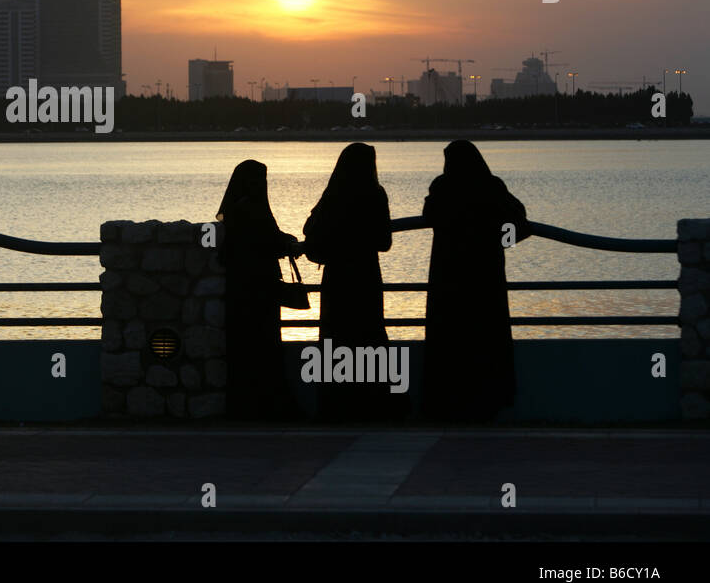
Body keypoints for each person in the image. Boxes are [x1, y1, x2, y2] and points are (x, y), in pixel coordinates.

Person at [421, 141, 530, 422]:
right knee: (486, 339)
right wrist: (496, 242)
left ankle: (448, 401)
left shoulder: (443, 187)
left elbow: (428, 215)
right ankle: (486, 401)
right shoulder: (491, 186)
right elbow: (520, 220)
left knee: (449, 340)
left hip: (448, 279)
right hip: (485, 278)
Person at [302, 143, 400, 422]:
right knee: (369, 336)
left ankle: (336, 404)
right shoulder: (375, 194)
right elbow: (384, 241)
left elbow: (310, 229)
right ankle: (372, 403)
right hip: (366, 277)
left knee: (337, 337)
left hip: (337, 278)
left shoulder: (333, 194)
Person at [216, 159, 302, 420]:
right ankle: (267, 405)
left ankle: (243, 405)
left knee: (243, 349)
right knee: (264, 348)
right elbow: (270, 242)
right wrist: (288, 242)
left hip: (238, 290)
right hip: (262, 291)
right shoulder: (255, 209)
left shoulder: (234, 211)